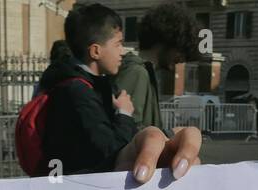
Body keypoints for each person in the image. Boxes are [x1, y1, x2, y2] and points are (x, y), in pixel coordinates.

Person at [35, 3, 140, 174]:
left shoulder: (86, 84)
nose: (123, 52)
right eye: (118, 44)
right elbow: (111, 150)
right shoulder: (76, 91)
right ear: (95, 51)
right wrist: (124, 114)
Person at [116, 3, 196, 132]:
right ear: (166, 40)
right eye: (180, 49)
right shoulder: (137, 72)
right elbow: (125, 129)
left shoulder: (145, 72)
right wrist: (169, 135)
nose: (182, 59)